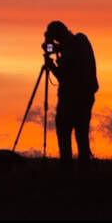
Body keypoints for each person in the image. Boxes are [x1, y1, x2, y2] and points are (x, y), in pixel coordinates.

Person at [43, 21, 99, 171]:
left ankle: (67, 167)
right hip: (86, 97)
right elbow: (67, 49)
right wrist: (55, 47)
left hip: (71, 98)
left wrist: (51, 65)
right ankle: (84, 168)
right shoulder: (81, 40)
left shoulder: (70, 49)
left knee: (63, 130)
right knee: (82, 134)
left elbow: (63, 75)